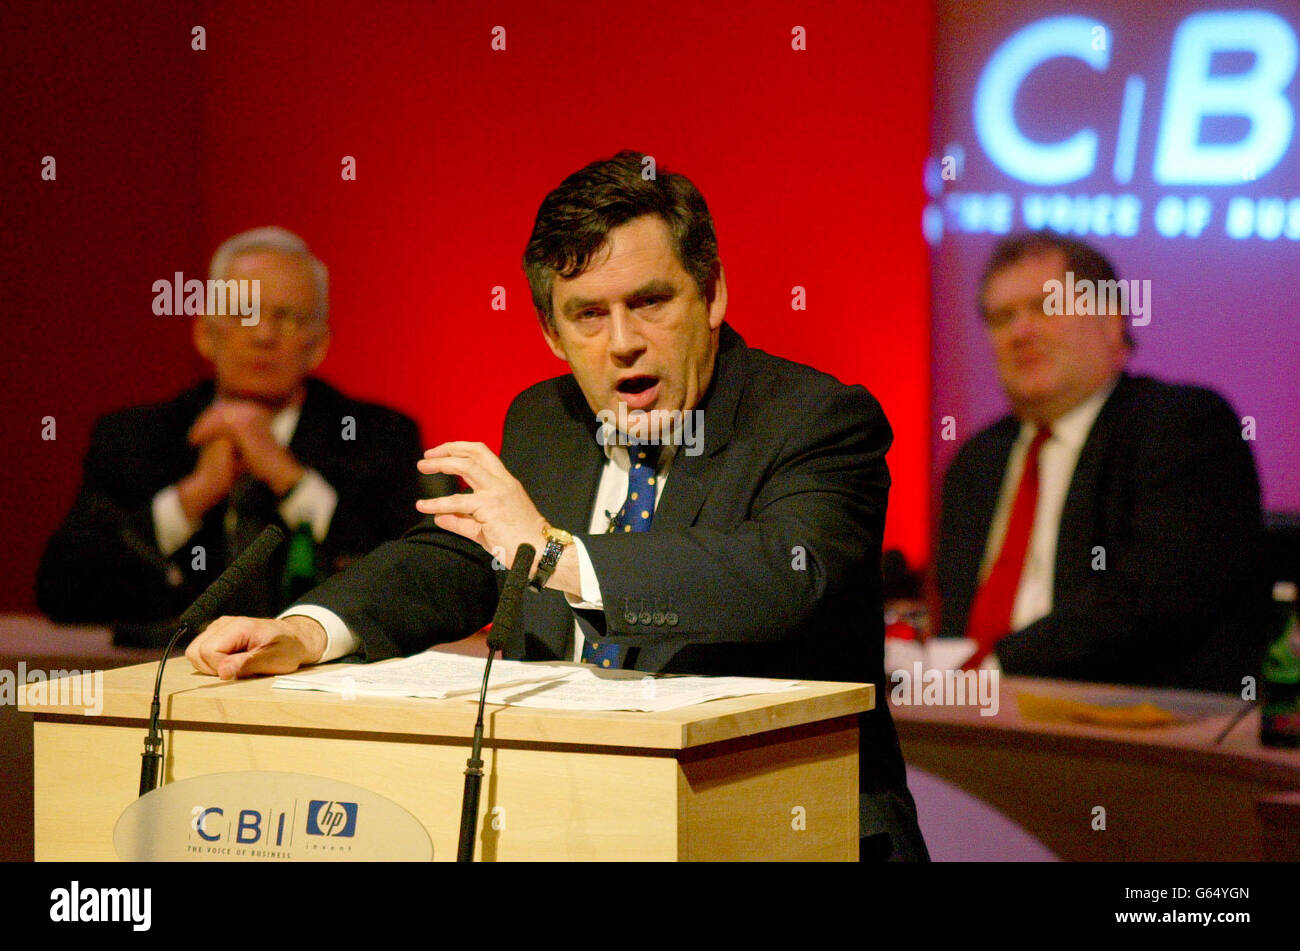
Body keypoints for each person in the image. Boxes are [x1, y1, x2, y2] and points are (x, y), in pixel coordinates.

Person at [184, 152, 929, 861]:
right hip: (570, 823)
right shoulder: (547, 419)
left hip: (784, 829)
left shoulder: (815, 418)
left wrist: (557, 556)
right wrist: (308, 631)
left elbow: (782, 576)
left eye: (650, 301)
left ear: (713, 293)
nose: (625, 343)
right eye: (588, 316)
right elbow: (466, 554)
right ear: (551, 332)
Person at [37, 227, 432, 631]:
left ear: (318, 345)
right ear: (205, 333)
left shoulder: (380, 437)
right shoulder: (133, 437)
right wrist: (191, 498)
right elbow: (62, 592)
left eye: (287, 318)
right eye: (244, 312)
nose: (263, 335)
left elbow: (416, 588)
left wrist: (290, 480)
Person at [935, 231, 1266, 693]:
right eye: (1002, 317)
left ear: (1110, 322)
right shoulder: (975, 462)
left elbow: (1156, 600)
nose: (1020, 332)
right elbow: (950, 624)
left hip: (1128, 728)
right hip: (964, 721)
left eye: (1045, 307)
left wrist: (990, 671)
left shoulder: (1180, 425)